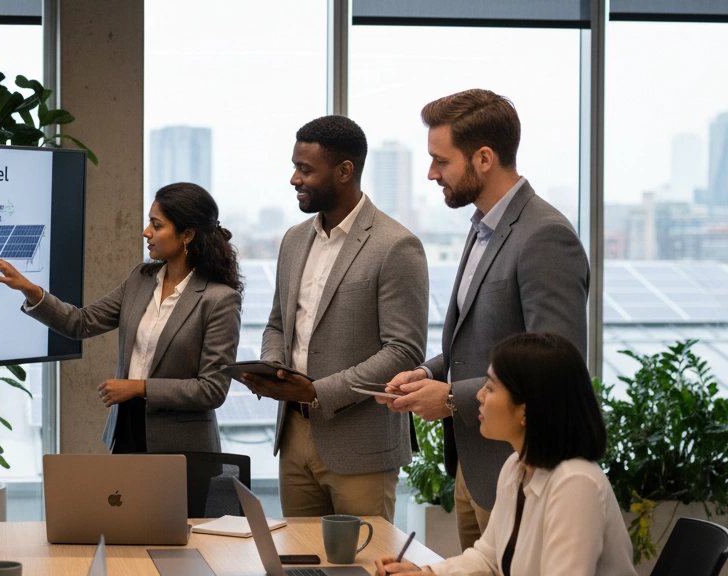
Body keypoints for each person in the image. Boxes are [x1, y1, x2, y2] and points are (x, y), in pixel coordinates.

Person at [381, 89, 589, 549]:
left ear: (484, 158)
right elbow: (481, 343)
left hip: (521, 467)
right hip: (475, 468)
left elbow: (558, 365)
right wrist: (426, 375)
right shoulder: (482, 227)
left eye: (441, 160)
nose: (431, 173)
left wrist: (452, 397)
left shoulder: (545, 236)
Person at [240, 115, 429, 522]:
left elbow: (404, 351)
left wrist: (315, 392)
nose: (294, 179)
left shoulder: (396, 245)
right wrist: (273, 370)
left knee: (362, 565)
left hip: (360, 445)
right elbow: (277, 323)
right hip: (293, 437)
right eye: (294, 167)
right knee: (297, 564)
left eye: (305, 169)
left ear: (345, 171)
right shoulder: (292, 239)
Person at [0, 182, 243, 453]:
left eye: (157, 225)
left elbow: (212, 389)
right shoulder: (140, 279)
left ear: (187, 234)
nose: (146, 232)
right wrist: (28, 287)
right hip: (126, 431)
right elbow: (80, 322)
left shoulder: (219, 300)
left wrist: (139, 388)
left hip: (181, 445)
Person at [376, 333, 634, 576]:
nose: (478, 395)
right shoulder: (517, 466)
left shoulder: (576, 483)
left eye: (490, 387)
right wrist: (427, 572)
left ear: (526, 409)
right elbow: (488, 558)